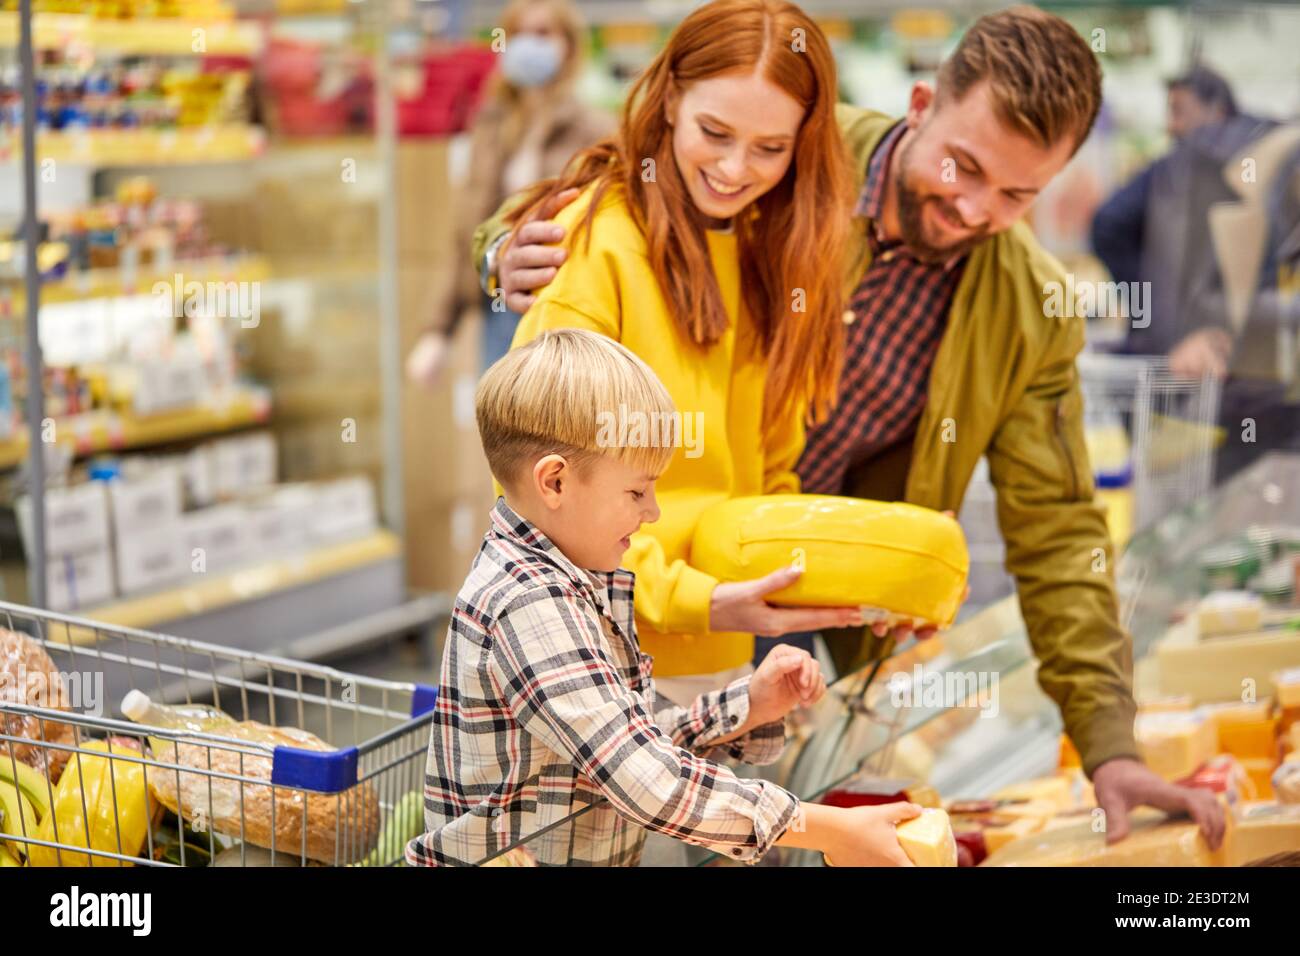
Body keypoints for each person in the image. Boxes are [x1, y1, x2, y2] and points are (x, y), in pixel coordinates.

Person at [477, 5, 1226, 848]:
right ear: (919, 105)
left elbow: (1058, 532)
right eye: (962, 165)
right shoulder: (792, 159)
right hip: (639, 597)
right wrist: (497, 253)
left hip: (785, 621)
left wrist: (1109, 746)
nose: (975, 207)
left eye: (1017, 194)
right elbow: (601, 206)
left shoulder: (1028, 309)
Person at [404, 328, 923, 866]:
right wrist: (829, 829)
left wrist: (745, 707)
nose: (652, 513)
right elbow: (648, 782)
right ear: (554, 482)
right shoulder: (530, 603)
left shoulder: (569, 578)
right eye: (637, 491)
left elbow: (628, 741)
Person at [490, 0, 875, 708]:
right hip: (589, 665)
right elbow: (544, 497)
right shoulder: (593, 245)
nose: (734, 169)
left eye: (770, 149)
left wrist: (870, 579)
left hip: (719, 660)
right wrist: (701, 601)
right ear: (669, 100)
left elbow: (771, 475)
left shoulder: (777, 258)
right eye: (714, 132)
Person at [1091, 66, 1300, 481]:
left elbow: (1109, 222)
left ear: (1216, 108)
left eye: (1180, 112)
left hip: (1218, 392)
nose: (1172, 126)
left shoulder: (1213, 160)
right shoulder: (1264, 151)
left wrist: (1147, 314)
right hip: (1244, 396)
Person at [404, 0, 613, 387]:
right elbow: (467, 230)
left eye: (543, 34)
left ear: (568, 45)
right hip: (498, 306)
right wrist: (437, 330)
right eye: (518, 35)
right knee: (504, 432)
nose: (528, 46)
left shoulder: (596, 131)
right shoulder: (491, 126)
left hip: (565, 308)